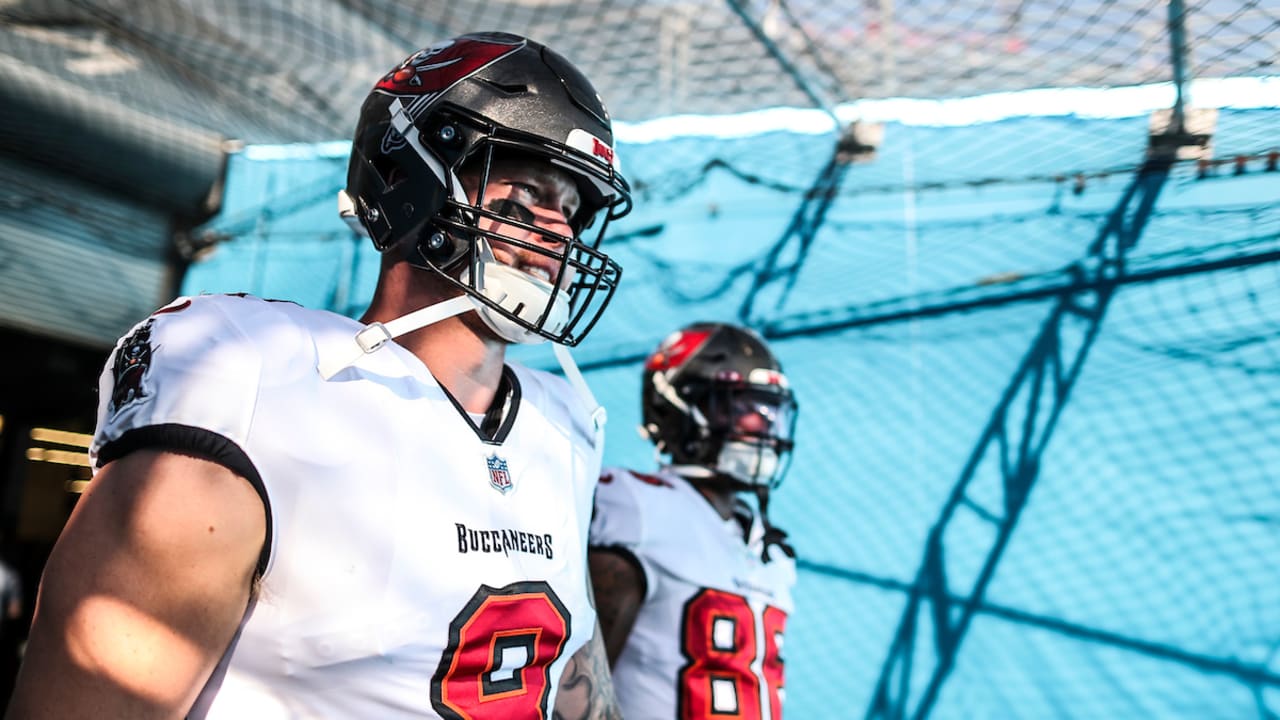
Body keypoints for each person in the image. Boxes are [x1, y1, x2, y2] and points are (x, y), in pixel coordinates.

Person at [8, 31, 632, 719]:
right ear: (409, 180)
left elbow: (576, 680)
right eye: (522, 201)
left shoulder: (564, 427)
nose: (557, 240)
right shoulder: (257, 379)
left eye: (571, 214)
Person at [588, 323, 799, 719]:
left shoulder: (770, 547)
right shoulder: (638, 506)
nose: (763, 425)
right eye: (740, 407)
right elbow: (578, 683)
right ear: (676, 409)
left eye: (770, 410)